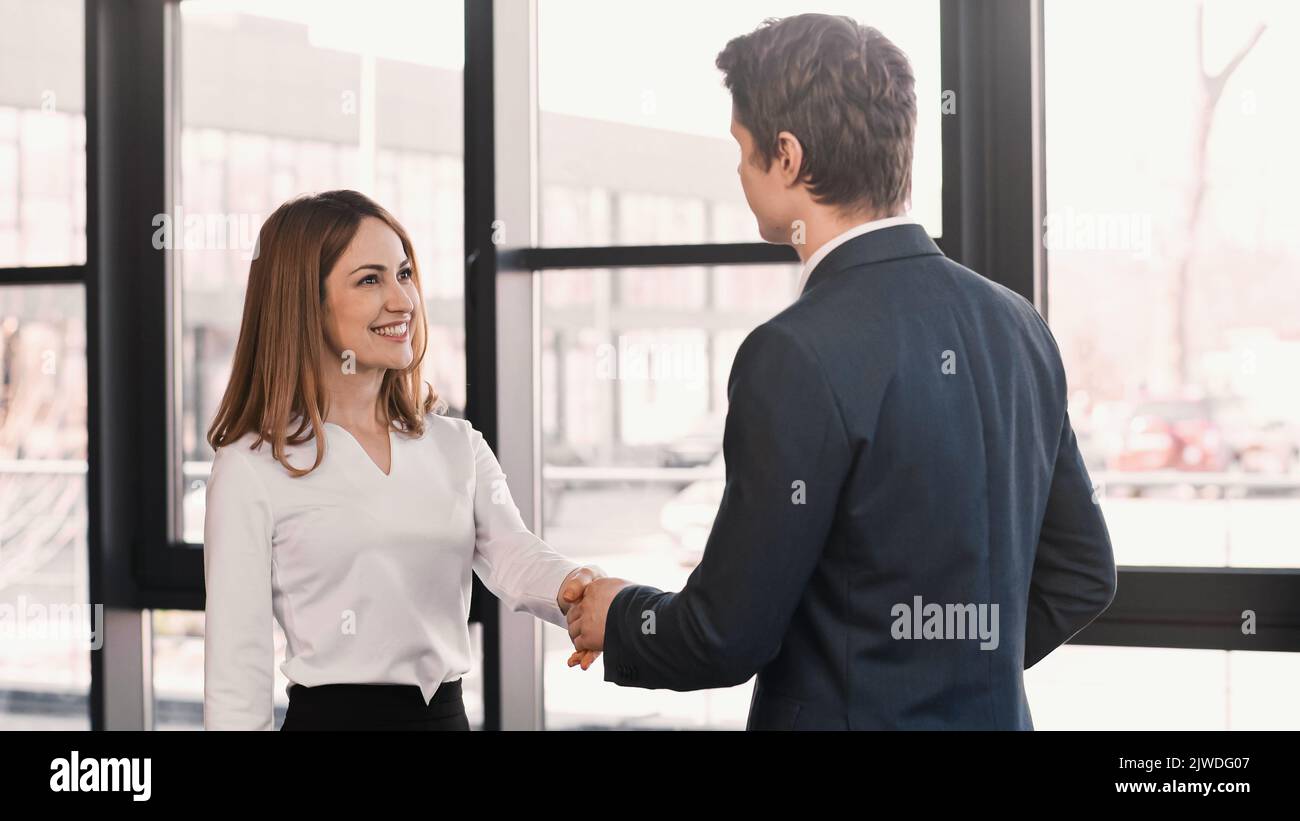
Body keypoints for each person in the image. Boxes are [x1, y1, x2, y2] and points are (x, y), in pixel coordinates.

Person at [564, 13, 1117, 729]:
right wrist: (940, 675)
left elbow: (725, 635)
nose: (737, 169)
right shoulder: (1019, 325)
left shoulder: (793, 352)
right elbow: (1082, 575)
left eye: (741, 147)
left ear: (787, 157)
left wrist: (621, 615)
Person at [202, 190, 601, 730]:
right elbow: (236, 674)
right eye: (370, 279)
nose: (403, 301)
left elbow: (514, 555)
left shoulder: (455, 444)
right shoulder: (254, 465)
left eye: (405, 273)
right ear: (304, 301)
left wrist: (576, 585)